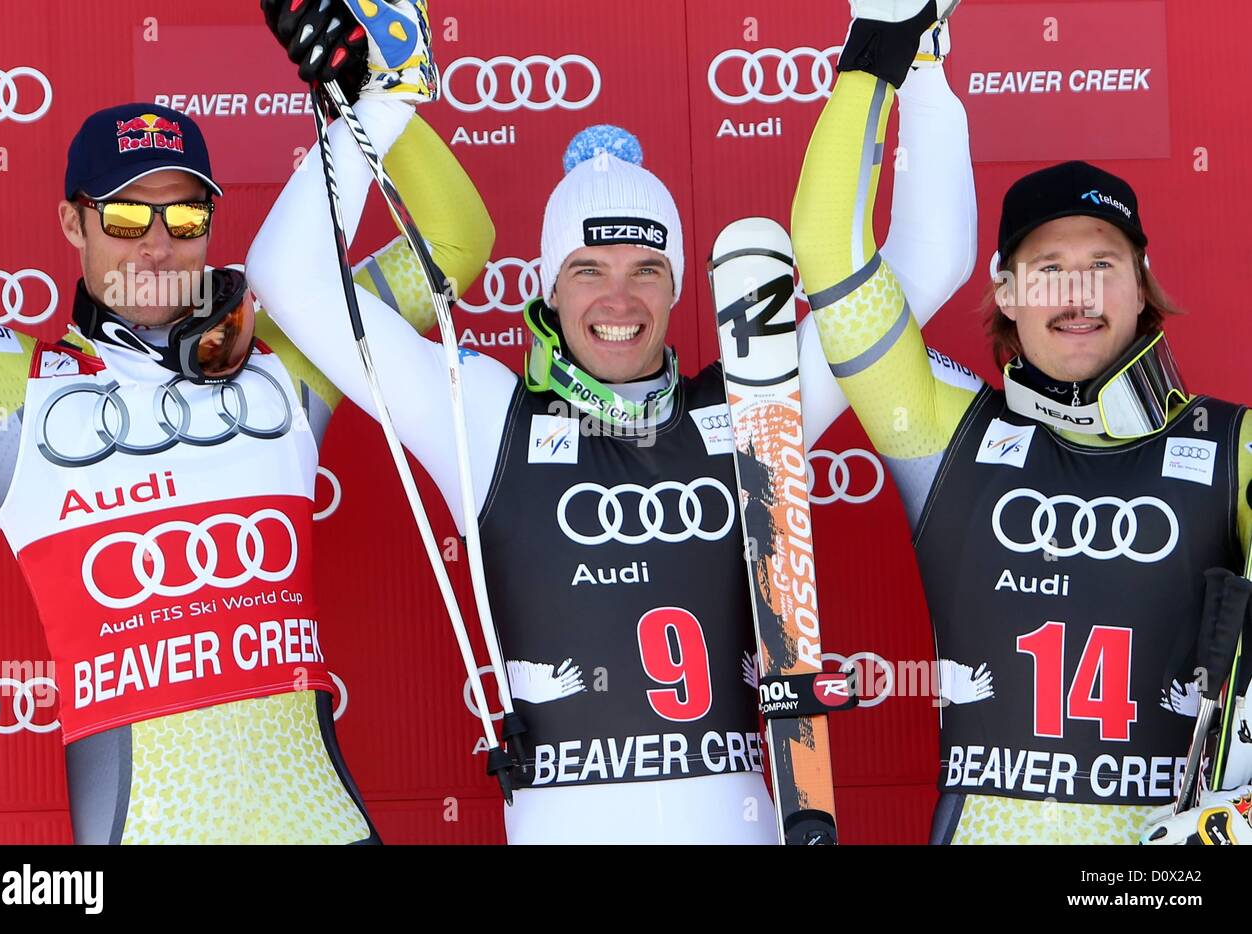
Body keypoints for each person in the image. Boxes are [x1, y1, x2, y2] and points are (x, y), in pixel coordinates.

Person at [249, 0, 975, 842]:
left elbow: (927, 261)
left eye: (646, 268)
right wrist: (376, 102)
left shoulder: (753, 401)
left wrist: (915, 65)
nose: (618, 299)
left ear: (676, 287)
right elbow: (289, 275)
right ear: (551, 288)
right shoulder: (482, 417)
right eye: (587, 269)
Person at [0, 7, 493, 843]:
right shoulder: (10, 388)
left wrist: (369, 96)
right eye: (127, 219)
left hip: (323, 826)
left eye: (185, 218)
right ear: (72, 224)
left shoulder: (286, 354)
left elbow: (459, 241)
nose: (157, 247)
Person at [793, 0, 1252, 844]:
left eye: (1102, 266)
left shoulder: (1236, 447)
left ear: (1142, 286)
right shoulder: (941, 429)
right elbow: (829, 250)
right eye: (1045, 269)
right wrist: (885, 42)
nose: (1074, 295)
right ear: (1006, 293)